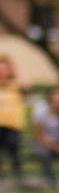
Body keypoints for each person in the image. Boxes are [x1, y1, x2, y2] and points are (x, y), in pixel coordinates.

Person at [0, 54, 27, 185]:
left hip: (12, 125)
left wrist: (15, 74)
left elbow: (27, 89)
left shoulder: (15, 84)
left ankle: (19, 174)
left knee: (12, 146)